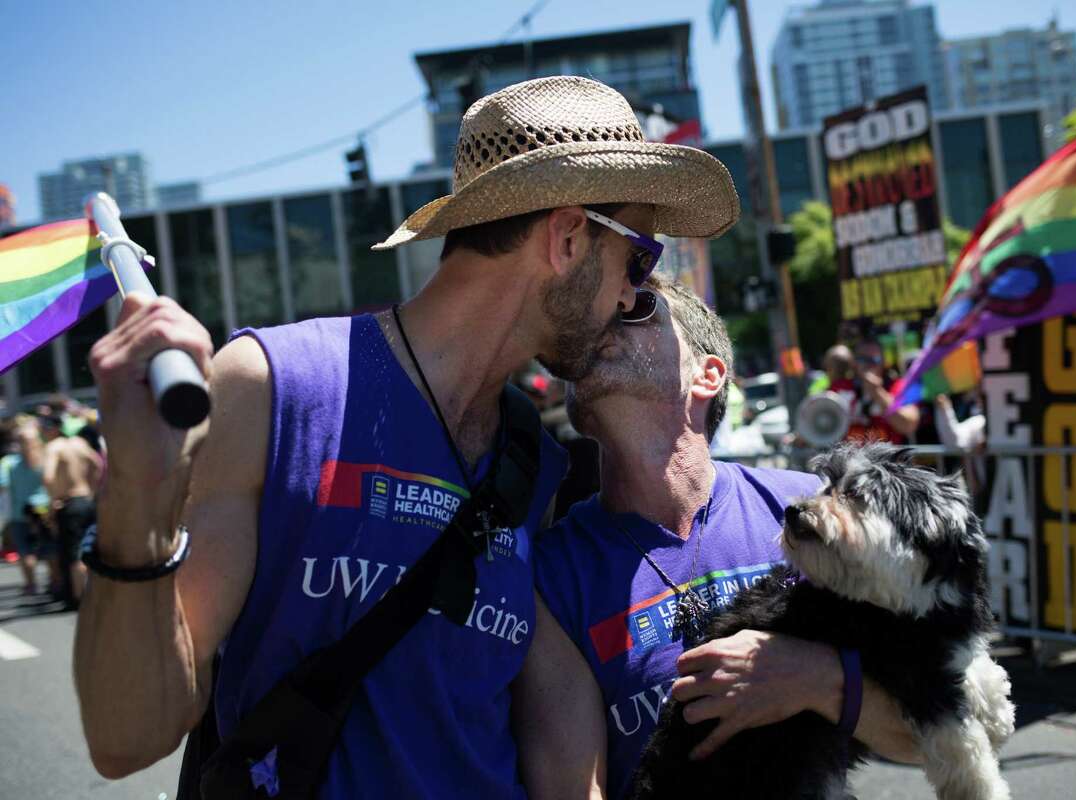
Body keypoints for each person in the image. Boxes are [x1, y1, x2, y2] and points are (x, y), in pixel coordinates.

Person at [73, 75, 739, 797]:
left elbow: (551, 717)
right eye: (639, 259)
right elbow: (126, 738)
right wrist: (136, 494)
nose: (637, 294)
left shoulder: (535, 462)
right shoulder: (276, 387)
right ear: (569, 237)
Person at [517, 278, 920, 799]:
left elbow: (923, 730)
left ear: (706, 375)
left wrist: (816, 678)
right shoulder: (551, 578)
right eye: (587, 321)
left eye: (638, 308)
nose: (599, 326)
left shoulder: (808, 511)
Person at [41, 413, 103, 608]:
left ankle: (81, 599)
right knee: (92, 546)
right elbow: (98, 464)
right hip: (87, 500)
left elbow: (48, 477)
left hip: (69, 503)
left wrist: (54, 500)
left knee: (74, 553)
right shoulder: (79, 443)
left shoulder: (54, 447)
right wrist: (92, 489)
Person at [827, 338, 918, 445]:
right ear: (854, 362)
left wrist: (877, 391)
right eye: (862, 359)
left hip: (886, 458)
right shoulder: (840, 387)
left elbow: (907, 425)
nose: (868, 365)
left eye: (875, 359)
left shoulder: (899, 386)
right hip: (850, 458)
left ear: (883, 362)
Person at [0, 417, 52, 596]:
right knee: (49, 548)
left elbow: (3, 487)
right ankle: (56, 581)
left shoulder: (9, 463)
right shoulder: (45, 458)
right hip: (44, 509)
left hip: (19, 511)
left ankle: (31, 585)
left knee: (25, 550)